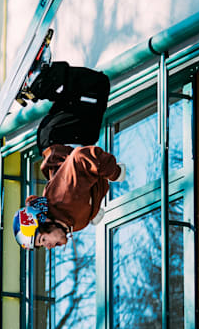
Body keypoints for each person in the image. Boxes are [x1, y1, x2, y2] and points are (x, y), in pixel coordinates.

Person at [12, 60, 124, 250]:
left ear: (44, 222)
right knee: (85, 95)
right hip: (65, 138)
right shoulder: (74, 222)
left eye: (42, 240)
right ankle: (43, 83)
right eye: (42, 246)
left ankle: (40, 80)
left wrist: (114, 172)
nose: (48, 247)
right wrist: (93, 212)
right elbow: (91, 185)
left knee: (95, 87)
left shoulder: (63, 198)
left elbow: (81, 158)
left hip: (62, 135)